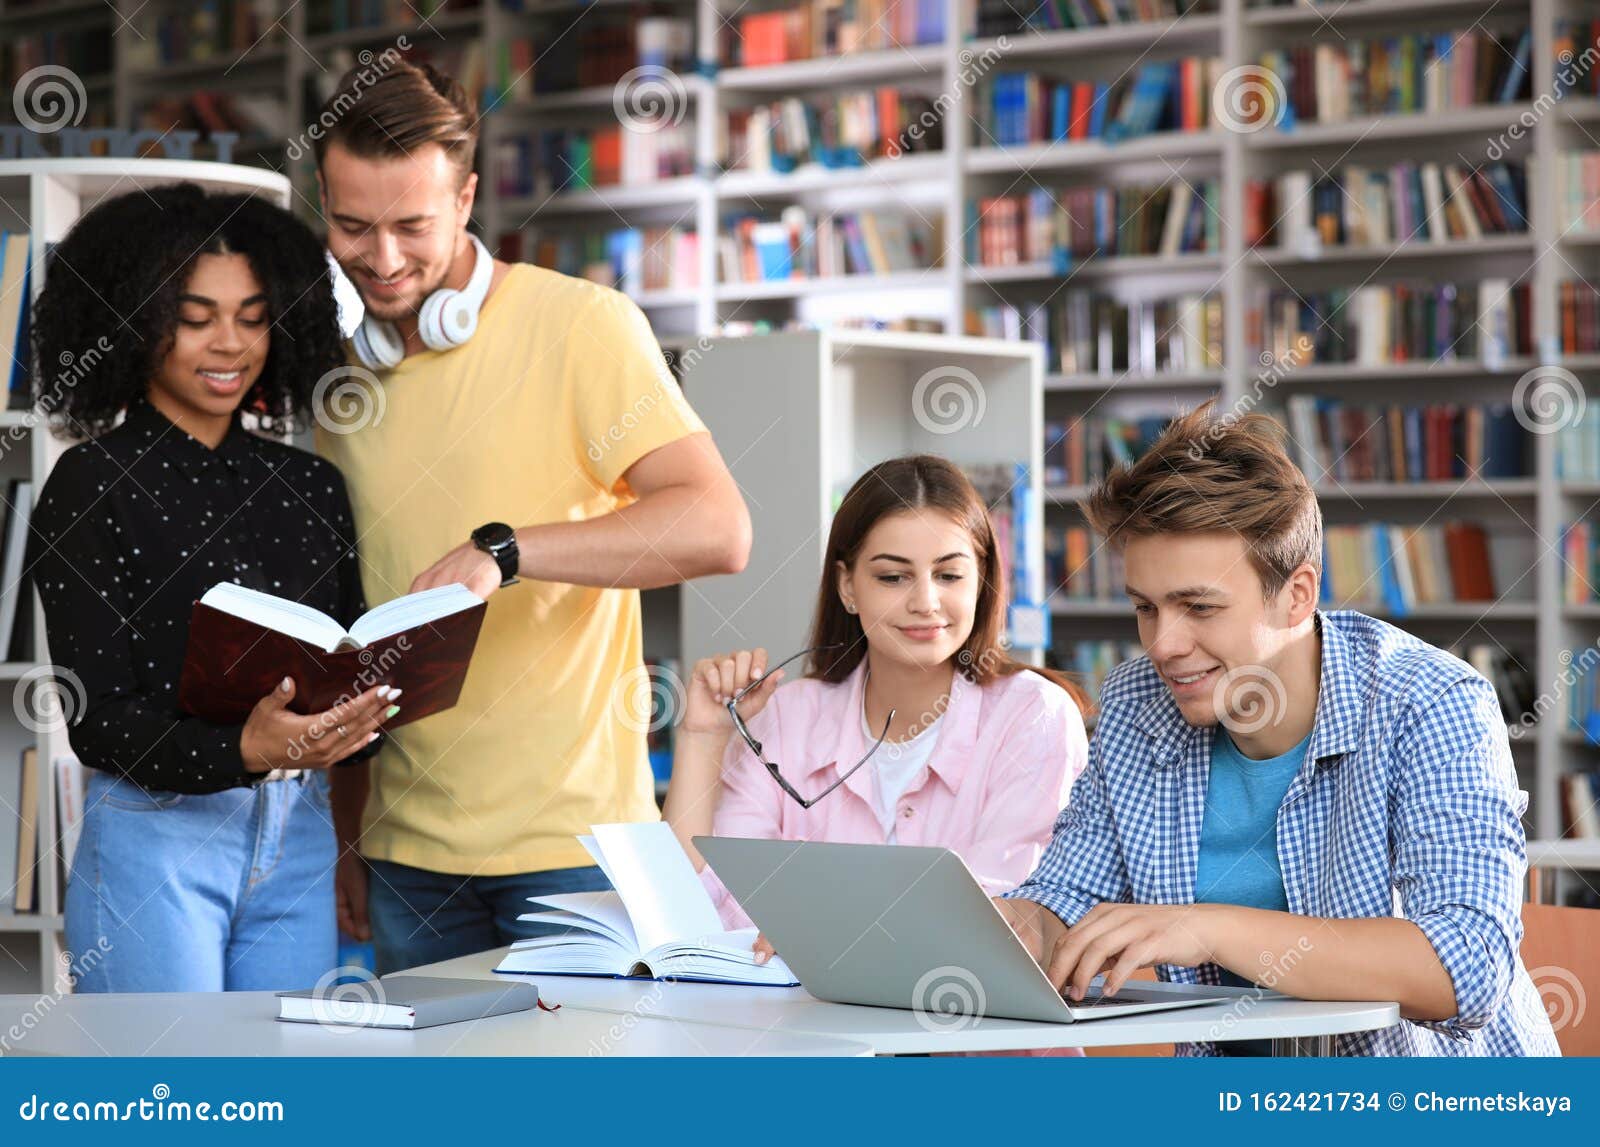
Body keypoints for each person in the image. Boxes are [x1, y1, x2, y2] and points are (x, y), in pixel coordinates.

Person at [309, 62, 752, 974]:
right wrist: (348, 835)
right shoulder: (335, 381)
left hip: (574, 850)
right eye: (352, 226)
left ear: (468, 197)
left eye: (412, 226)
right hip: (403, 854)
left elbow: (719, 525)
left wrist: (505, 552)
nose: (383, 259)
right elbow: (352, 616)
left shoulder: (582, 325)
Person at [995, 403, 1560, 1056]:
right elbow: (1067, 896)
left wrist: (1207, 928)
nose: (1164, 645)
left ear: (1297, 593)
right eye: (1145, 608)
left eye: (1199, 606)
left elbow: (1470, 967)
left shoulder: (1431, 701)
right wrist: (1013, 929)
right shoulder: (1137, 702)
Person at [25, 184, 395, 992]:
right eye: (195, 318)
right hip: (155, 841)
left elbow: (347, 654)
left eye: (254, 316)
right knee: (169, 1113)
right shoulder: (91, 484)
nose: (230, 343)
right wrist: (243, 748)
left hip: (298, 837)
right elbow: (99, 720)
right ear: (134, 321)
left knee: (280, 1112)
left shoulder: (311, 484)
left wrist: (362, 716)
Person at [664, 455, 1091, 948]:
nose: (926, 602)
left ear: (982, 580)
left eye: (949, 575)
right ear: (848, 586)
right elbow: (693, 908)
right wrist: (703, 737)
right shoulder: (788, 715)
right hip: (790, 1018)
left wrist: (825, 930)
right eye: (893, 577)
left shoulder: (1032, 714)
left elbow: (1000, 917)